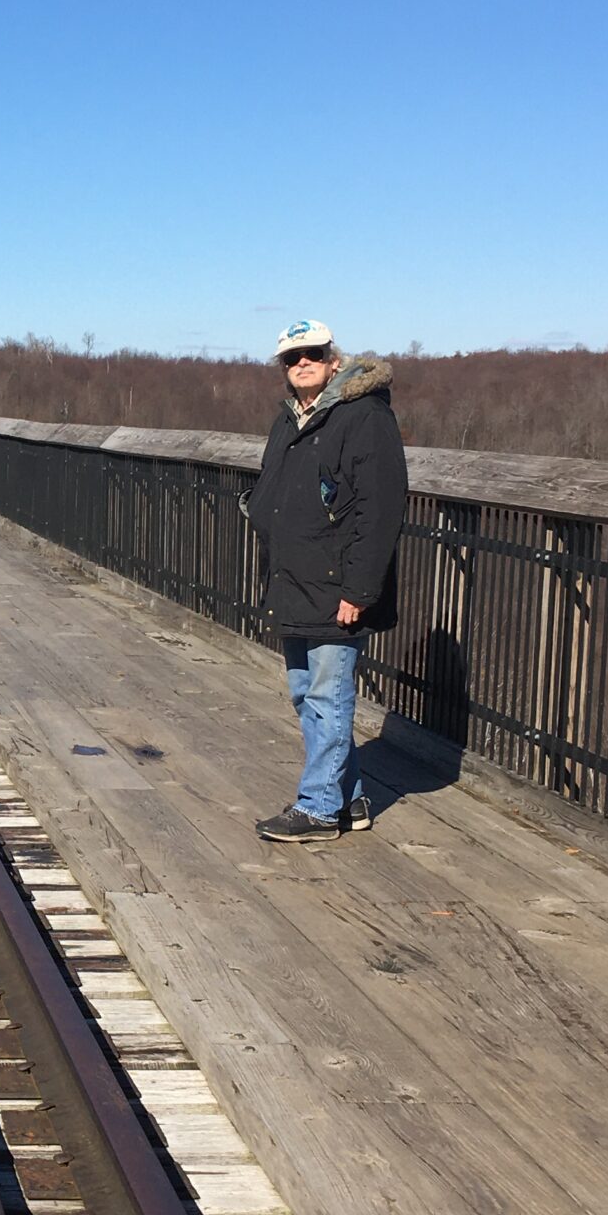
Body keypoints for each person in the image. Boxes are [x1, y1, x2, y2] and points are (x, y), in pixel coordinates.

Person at [242, 317, 407, 844]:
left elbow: (379, 511)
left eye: (312, 353)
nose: (302, 363)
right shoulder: (291, 418)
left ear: (334, 359)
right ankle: (350, 801)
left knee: (327, 697)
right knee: (305, 695)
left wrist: (359, 591)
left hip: (337, 587)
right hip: (295, 579)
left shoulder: (364, 416)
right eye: (291, 358)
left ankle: (317, 809)